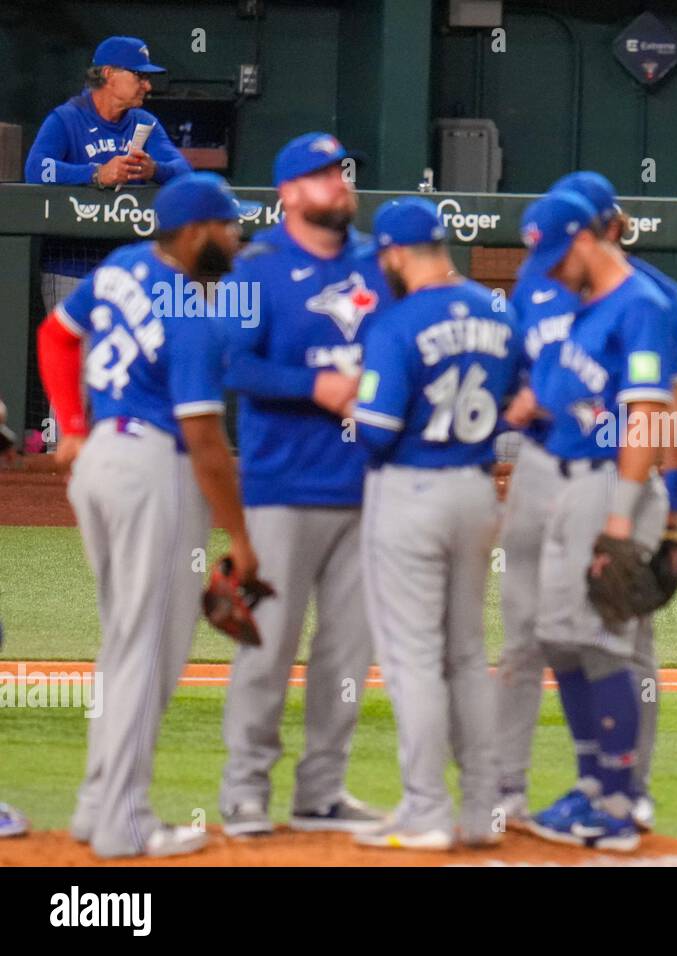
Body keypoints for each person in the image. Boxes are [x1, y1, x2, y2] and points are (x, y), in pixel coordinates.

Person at [36, 172, 259, 858]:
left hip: (102, 462)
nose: (238, 236)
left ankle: (97, 805)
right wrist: (243, 538)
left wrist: (71, 423)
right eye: (228, 226)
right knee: (149, 651)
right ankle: (123, 822)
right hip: (150, 473)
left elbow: (53, 335)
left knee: (124, 642)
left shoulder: (123, 265)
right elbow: (205, 443)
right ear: (195, 233)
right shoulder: (191, 311)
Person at [492, 171, 677, 835]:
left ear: (601, 230)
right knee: (546, 632)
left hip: (614, 481)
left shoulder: (653, 300)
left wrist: (671, 509)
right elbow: (539, 383)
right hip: (546, 470)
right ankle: (544, 788)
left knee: (614, 635)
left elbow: (673, 409)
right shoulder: (561, 295)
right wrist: (525, 407)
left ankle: (620, 792)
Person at [218, 133, 389, 836]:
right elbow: (230, 364)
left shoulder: (379, 261)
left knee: (347, 655)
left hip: (369, 486)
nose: (337, 185)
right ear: (287, 193)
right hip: (281, 485)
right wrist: (314, 385)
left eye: (339, 174)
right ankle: (243, 791)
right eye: (320, 177)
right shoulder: (252, 269)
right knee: (265, 646)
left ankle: (321, 790)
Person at [351, 198, 521, 850]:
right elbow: (521, 400)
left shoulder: (397, 324)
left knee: (414, 660)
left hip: (411, 493)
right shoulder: (495, 311)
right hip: (477, 494)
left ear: (394, 253)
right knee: (469, 655)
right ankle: (481, 811)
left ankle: (425, 811)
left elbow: (375, 431)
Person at [24, 36, 192, 315]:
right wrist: (96, 174)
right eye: (139, 76)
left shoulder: (144, 122)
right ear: (108, 74)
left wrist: (155, 169)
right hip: (72, 264)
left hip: (127, 267)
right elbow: (36, 169)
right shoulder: (67, 117)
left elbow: (184, 173)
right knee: (78, 356)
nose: (147, 86)